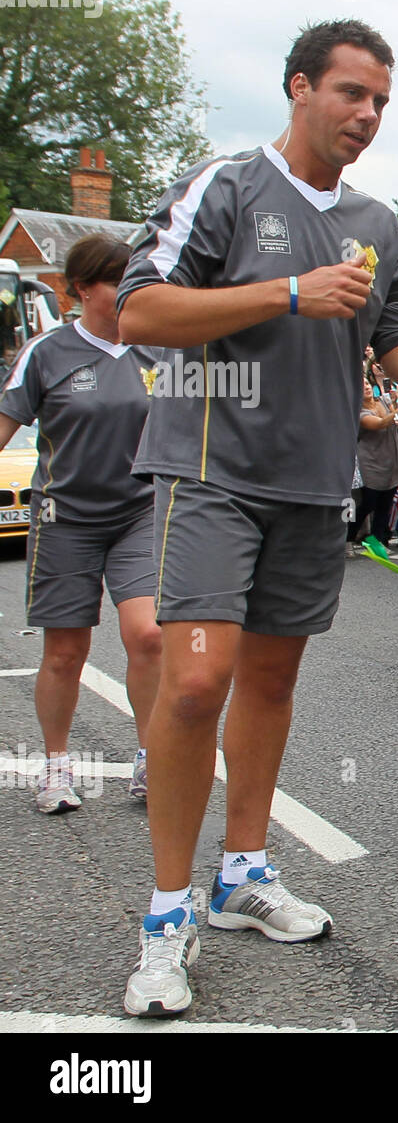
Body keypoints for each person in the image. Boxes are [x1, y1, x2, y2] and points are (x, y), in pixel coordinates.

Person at [114, 19, 398, 1017]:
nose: (366, 115)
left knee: (274, 679)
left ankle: (242, 872)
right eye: (348, 93)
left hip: (310, 482)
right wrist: (288, 292)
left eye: (379, 100)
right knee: (197, 677)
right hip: (210, 472)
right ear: (298, 89)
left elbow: (396, 345)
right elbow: (141, 314)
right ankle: (165, 917)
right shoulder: (230, 187)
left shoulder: (379, 222)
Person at [0, 235, 163, 812]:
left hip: (138, 514)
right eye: (118, 280)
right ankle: (56, 768)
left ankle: (150, 759)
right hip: (63, 517)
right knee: (66, 651)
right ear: (83, 289)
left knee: (149, 634)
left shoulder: (158, 353)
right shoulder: (46, 354)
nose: (129, 292)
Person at [352, 358, 398, 552]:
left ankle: (379, 541)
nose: (365, 387)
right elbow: (380, 424)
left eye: (366, 383)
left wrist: (395, 399)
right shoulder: (359, 412)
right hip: (371, 463)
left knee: (385, 503)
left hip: (391, 460)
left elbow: (393, 412)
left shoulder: (382, 400)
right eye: (361, 385)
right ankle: (349, 537)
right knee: (368, 503)